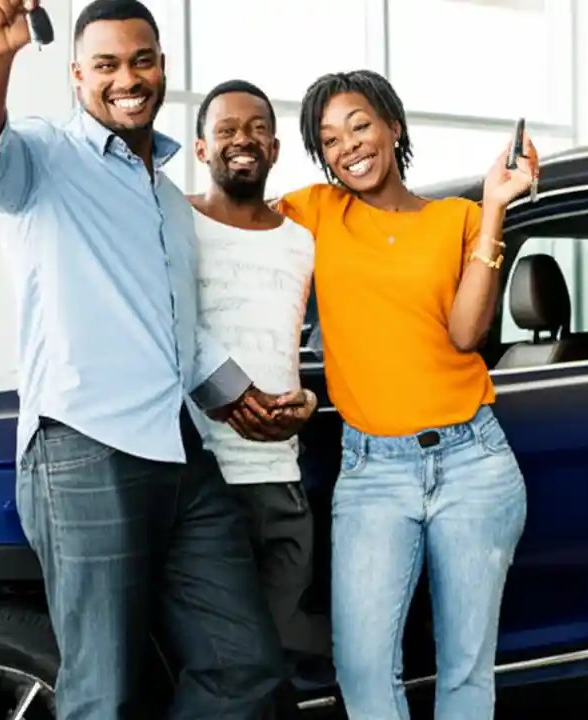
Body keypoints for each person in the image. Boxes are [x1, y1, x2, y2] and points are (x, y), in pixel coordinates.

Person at [0, 1, 312, 718]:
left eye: (141, 60)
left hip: (180, 450)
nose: (127, 78)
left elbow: (181, 328)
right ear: (78, 77)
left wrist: (247, 400)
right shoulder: (48, 159)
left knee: (245, 666)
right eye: (105, 65)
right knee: (105, 691)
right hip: (84, 447)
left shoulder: (168, 198)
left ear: (163, 68)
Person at [274, 69, 538, 719]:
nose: (348, 146)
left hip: (474, 463)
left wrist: (497, 205)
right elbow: (231, 226)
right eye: (329, 138)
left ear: (393, 126)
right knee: (363, 673)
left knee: (465, 675)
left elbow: (467, 333)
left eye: (359, 125)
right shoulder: (314, 212)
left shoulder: (461, 219)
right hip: (373, 473)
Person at [185, 79, 332, 682]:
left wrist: (312, 398)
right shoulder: (175, 223)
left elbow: (333, 344)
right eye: (226, 130)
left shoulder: (304, 241)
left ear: (274, 149)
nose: (242, 140)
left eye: (256, 130)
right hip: (197, 481)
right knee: (223, 666)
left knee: (278, 664)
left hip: (280, 480)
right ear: (201, 149)